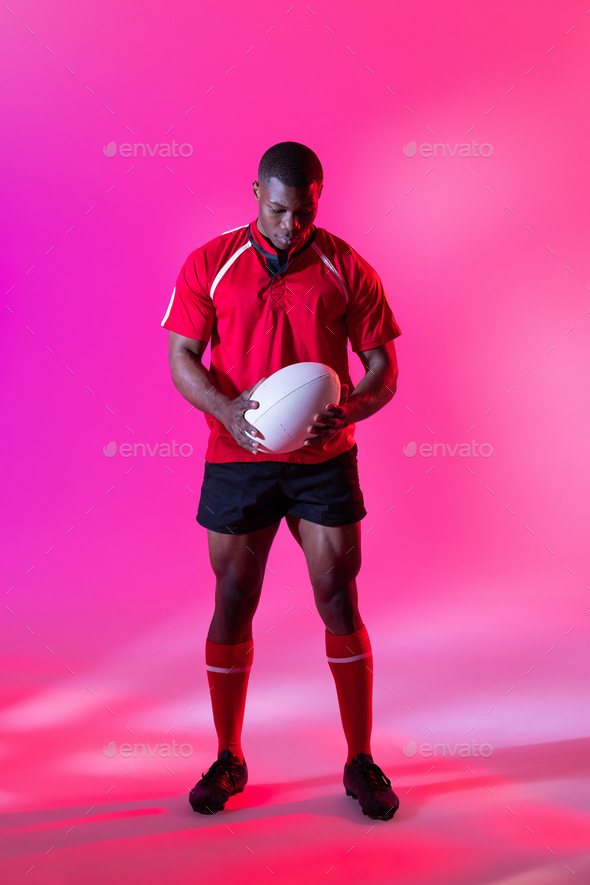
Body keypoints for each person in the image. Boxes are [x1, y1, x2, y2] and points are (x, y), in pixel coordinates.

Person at [162, 142, 401, 821]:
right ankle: (228, 756)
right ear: (255, 194)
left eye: (304, 212)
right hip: (237, 456)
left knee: (338, 596)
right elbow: (181, 356)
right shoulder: (211, 263)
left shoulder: (345, 265)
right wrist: (225, 411)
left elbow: (382, 365)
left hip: (323, 458)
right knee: (234, 598)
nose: (291, 226)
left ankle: (359, 759)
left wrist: (348, 408)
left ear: (318, 201)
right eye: (277, 211)